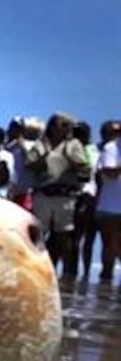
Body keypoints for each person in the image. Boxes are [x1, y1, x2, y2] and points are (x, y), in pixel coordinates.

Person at [26, 113, 92, 279]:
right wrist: (43, 157)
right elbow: (30, 164)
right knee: (39, 232)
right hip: (43, 193)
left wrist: (71, 160)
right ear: (52, 126)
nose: (65, 129)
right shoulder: (42, 143)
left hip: (65, 195)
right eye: (63, 125)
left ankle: (66, 272)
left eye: (67, 126)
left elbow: (84, 167)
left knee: (63, 234)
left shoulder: (73, 144)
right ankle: (35, 267)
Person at [68, 120, 99, 280]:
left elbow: (92, 174)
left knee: (89, 237)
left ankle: (85, 272)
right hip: (73, 195)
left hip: (90, 196)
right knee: (73, 237)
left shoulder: (93, 151)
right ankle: (71, 270)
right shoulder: (69, 149)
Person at [93, 120, 121, 284]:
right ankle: (105, 282)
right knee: (109, 245)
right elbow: (109, 173)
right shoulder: (110, 148)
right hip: (110, 207)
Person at [4, 116, 42, 210]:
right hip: (6, 192)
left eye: (18, 128)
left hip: (23, 193)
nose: (14, 131)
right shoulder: (5, 147)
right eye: (13, 127)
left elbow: (32, 162)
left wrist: (22, 146)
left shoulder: (30, 145)